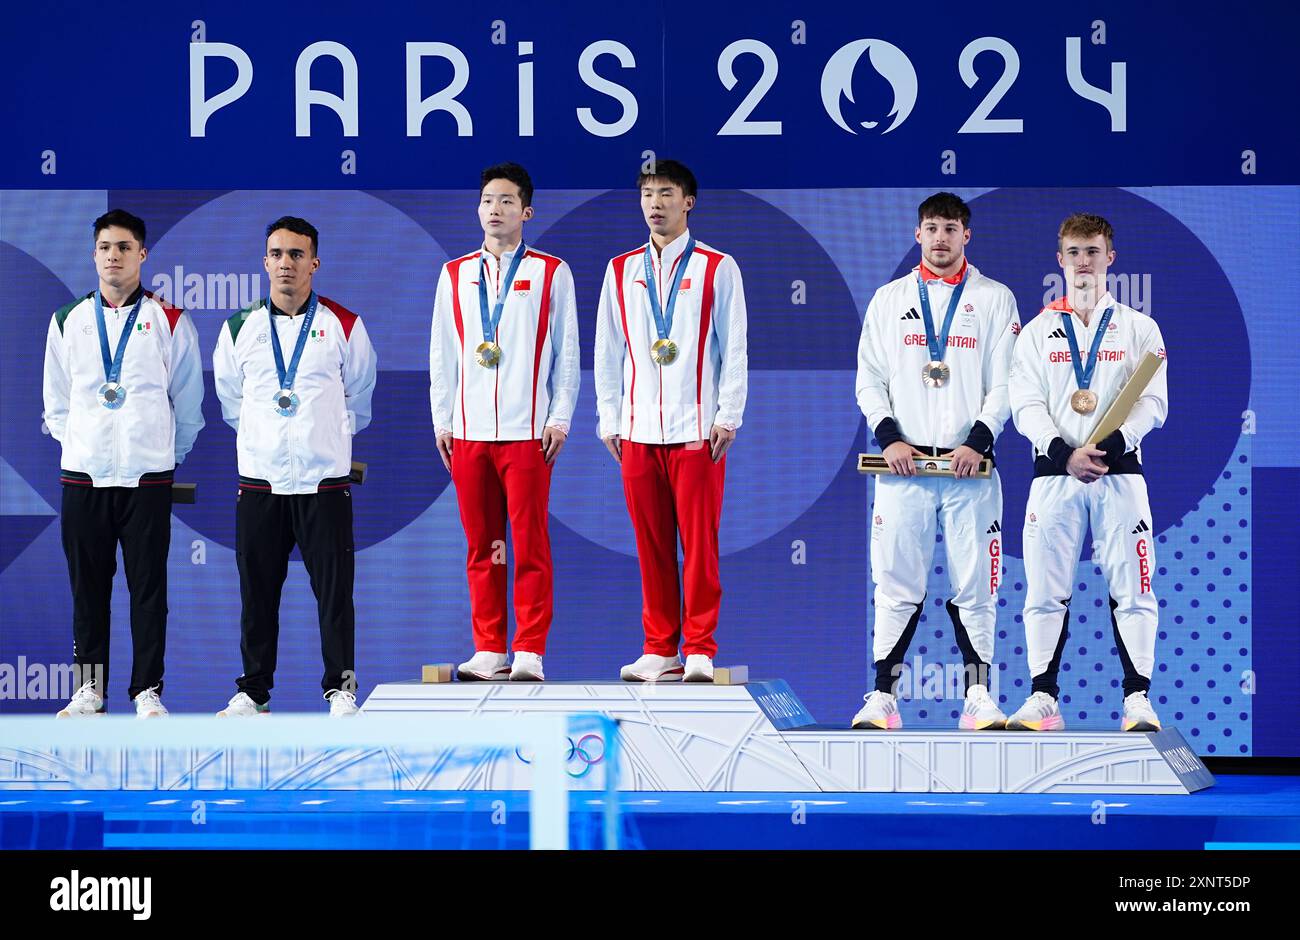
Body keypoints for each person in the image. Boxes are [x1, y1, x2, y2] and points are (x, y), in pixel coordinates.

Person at [852, 192, 1020, 730]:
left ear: (966, 235)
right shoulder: (887, 299)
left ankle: (978, 697)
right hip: (904, 468)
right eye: (932, 228)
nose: (941, 238)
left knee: (976, 584)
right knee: (895, 581)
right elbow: (869, 380)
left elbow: (1009, 382)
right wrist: (889, 438)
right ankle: (882, 697)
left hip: (971, 469)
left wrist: (979, 439)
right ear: (917, 235)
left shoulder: (995, 299)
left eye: (951, 228)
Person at [1006, 212, 1167, 732]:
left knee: (1133, 586)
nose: (1083, 262)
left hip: (1120, 475)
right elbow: (1024, 405)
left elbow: (1154, 402)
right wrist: (1063, 453)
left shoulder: (1140, 328)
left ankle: (1138, 700)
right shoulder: (1035, 333)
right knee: (1044, 590)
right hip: (1054, 477)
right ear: (1060, 259)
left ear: (1110, 258)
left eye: (1093, 252)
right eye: (1074, 253)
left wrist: (1115, 442)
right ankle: (1042, 697)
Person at [212, 216, 377, 717]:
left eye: (297, 254)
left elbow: (360, 397)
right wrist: (270, 441)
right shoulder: (239, 329)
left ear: (315, 263)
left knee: (335, 595)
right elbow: (231, 402)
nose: (287, 263)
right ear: (265, 263)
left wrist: (320, 439)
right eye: (277, 254)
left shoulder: (343, 325)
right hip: (260, 483)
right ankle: (254, 691)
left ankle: (342, 688)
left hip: (324, 482)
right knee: (257, 595)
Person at [43, 209, 205, 718]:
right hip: (84, 477)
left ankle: (146, 689)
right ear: (94, 255)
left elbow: (189, 406)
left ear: (143, 255)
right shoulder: (67, 321)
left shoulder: (170, 322)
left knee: (148, 591)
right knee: (88, 591)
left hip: (147, 479)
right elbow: (57, 405)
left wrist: (161, 458)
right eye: (105, 247)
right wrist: (84, 448)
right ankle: (90, 690)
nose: (114, 255)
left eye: (124, 247)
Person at [593, 159, 748, 683]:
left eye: (666, 193)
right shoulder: (620, 270)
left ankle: (700, 646)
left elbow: (735, 348)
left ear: (689, 201)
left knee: (699, 545)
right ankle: (660, 646)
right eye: (646, 195)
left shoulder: (717, 267)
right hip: (637, 431)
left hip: (698, 430)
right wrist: (609, 420)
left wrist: (729, 415)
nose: (655, 203)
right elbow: (607, 350)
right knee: (652, 543)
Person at [430, 162, 579, 682]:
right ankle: (490, 646)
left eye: (507, 201)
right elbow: (443, 355)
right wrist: (442, 422)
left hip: (527, 431)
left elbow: (567, 354)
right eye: (488, 200)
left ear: (527, 211)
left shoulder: (550, 272)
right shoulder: (454, 274)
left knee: (529, 541)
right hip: (470, 433)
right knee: (482, 545)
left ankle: (530, 648)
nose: (495, 209)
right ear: (478, 208)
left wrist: (559, 418)